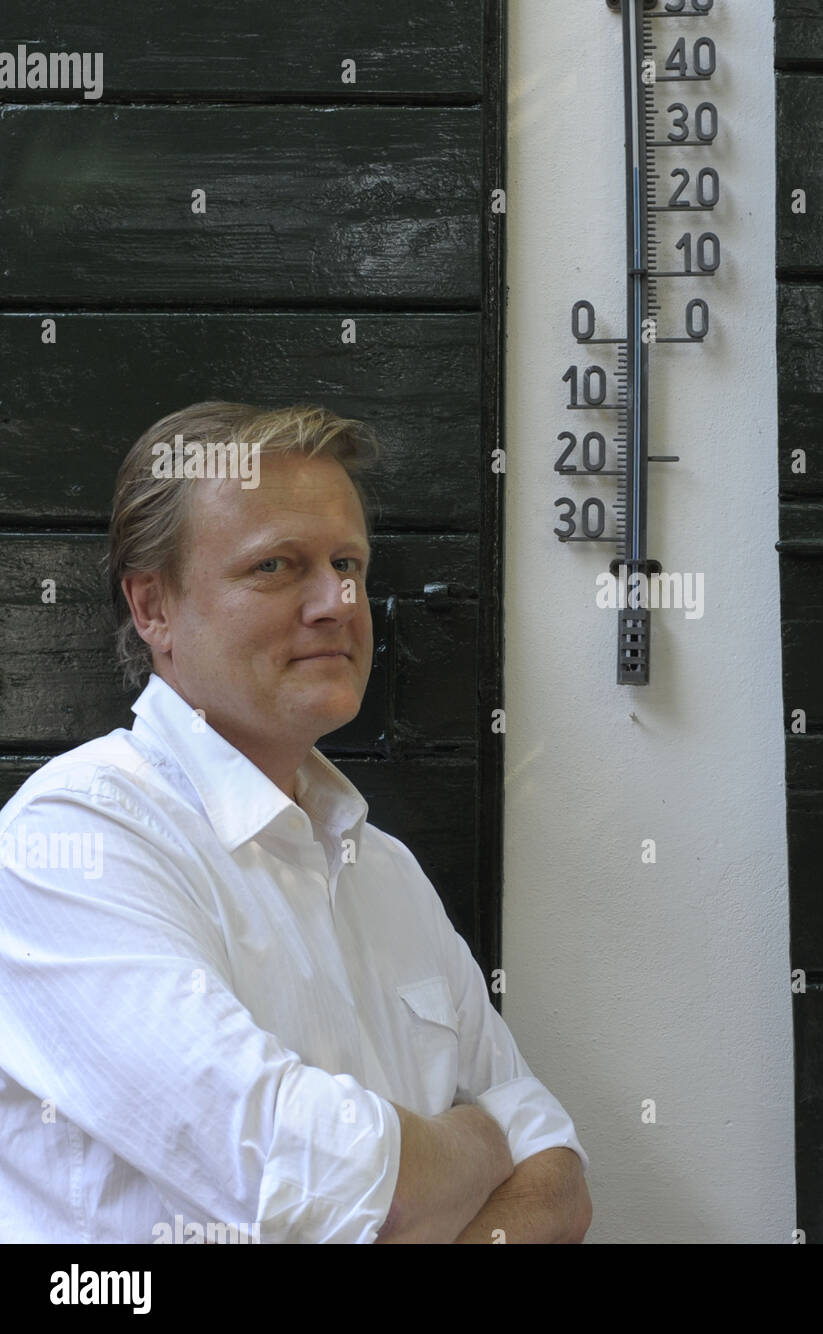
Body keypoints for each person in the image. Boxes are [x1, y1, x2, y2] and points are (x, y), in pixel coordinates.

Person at [0, 400, 591, 1244]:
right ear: (152, 607)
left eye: (348, 562)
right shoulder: (72, 844)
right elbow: (328, 1184)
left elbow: (562, 1180)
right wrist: (485, 1137)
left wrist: (437, 1172)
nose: (336, 602)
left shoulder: (385, 872)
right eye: (277, 566)